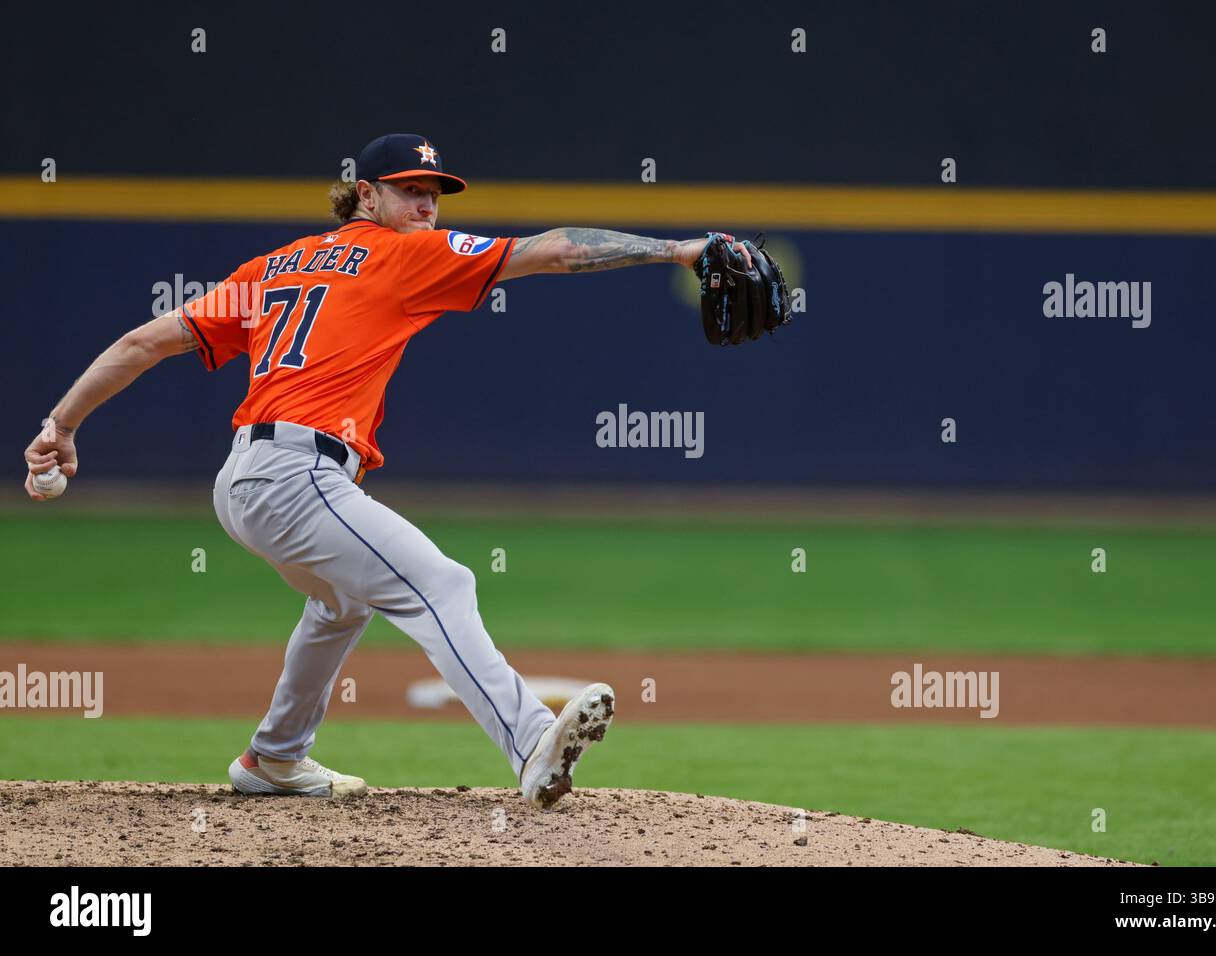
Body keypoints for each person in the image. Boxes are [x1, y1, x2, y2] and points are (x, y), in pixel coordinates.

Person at [22, 133, 754, 810]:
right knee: (443, 583)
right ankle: (533, 742)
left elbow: (142, 340)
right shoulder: (402, 254)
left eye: (435, 193)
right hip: (294, 477)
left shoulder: (272, 267)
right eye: (410, 190)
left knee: (342, 603)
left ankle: (273, 759)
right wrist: (679, 249)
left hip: (248, 480)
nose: (427, 205)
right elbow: (553, 251)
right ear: (365, 196)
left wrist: (61, 425)